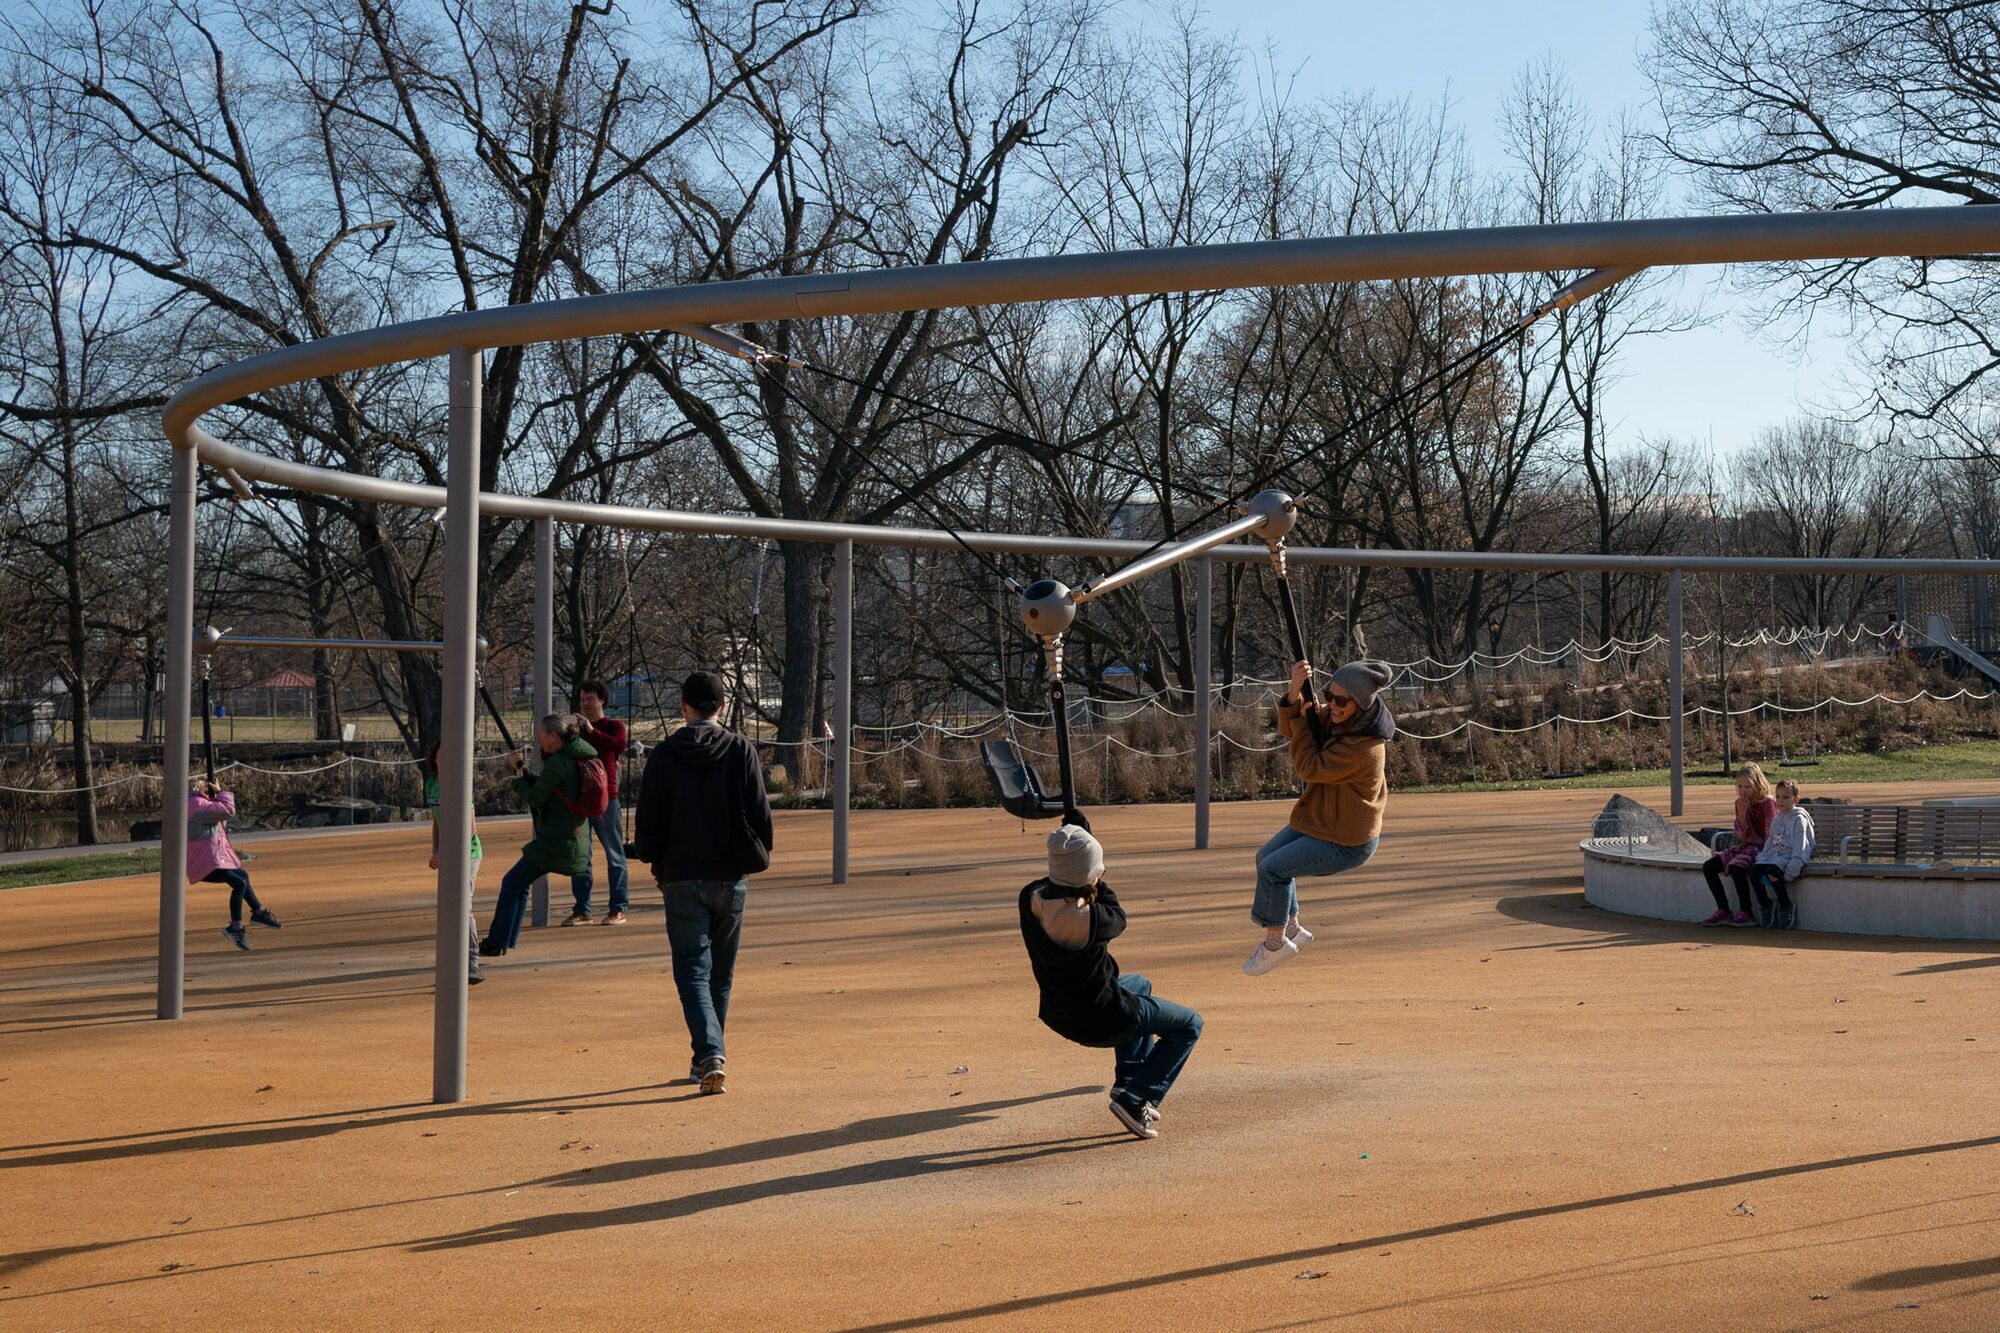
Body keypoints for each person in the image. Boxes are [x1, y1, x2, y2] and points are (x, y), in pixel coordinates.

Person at [632, 671, 772, 1096]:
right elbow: (760, 814)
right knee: (720, 976)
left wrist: (651, 855)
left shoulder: (663, 756)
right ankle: (707, 1055)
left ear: (683, 705)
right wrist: (757, 851)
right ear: (722, 707)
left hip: (681, 875)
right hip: (730, 877)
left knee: (692, 972)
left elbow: (648, 822)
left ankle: (709, 1053)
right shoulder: (740, 749)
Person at [1019, 822, 1202, 1140]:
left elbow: (1056, 878)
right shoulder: (1095, 919)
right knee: (1190, 1024)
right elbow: (1114, 910)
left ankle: (1127, 1080)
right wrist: (1089, 868)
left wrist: (1072, 840)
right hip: (1104, 1019)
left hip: (1060, 1012)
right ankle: (1138, 1100)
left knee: (1139, 983)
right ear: (1092, 874)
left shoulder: (1029, 900)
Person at [1243, 658, 1396, 976]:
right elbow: (1292, 727)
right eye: (1329, 695)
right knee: (1264, 858)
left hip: (1347, 841)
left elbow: (1309, 766)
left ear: (1361, 704)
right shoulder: (1340, 720)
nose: (1333, 705)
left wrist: (1303, 722)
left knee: (1275, 870)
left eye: (1341, 701)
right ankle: (1293, 928)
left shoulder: (1364, 748)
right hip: (1321, 822)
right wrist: (1295, 691)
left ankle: (1276, 944)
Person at [479, 714, 596, 957]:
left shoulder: (559, 762)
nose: (539, 741)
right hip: (573, 837)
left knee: (512, 882)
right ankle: (501, 941)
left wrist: (517, 781)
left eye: (542, 736)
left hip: (557, 841)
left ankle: (497, 941)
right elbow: (549, 787)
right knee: (518, 883)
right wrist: (524, 772)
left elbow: (536, 798)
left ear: (554, 735)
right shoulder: (577, 756)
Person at [565, 679, 631, 926]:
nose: (585, 703)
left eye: (590, 699)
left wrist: (592, 732)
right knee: (581, 855)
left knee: (614, 853)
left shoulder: (613, 726)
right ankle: (582, 909)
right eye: (582, 699)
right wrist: (561, 730)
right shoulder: (574, 730)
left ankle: (618, 908)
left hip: (606, 798)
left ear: (602, 700)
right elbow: (554, 753)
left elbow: (619, 746)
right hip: (578, 799)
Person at [188, 780, 280, 950]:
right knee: (239, 883)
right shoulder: (197, 804)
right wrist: (222, 793)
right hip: (204, 863)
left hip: (211, 860)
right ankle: (235, 927)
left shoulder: (200, 804)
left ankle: (258, 912)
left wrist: (216, 799)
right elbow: (228, 810)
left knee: (242, 876)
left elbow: (220, 822)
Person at [426, 742, 486, 985]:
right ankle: (454, 960)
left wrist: (449, 853)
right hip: (448, 854)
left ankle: (471, 961)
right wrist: (436, 851)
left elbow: (471, 828)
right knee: (450, 906)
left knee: (463, 906)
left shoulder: (460, 785)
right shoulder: (431, 784)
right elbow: (437, 821)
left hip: (467, 854)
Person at [1701, 762, 1777, 928]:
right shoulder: (1739, 803)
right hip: (1745, 846)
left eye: (1748, 787)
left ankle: (1746, 912)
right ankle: (1723, 909)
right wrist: (1742, 814)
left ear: (1758, 784)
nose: (1743, 791)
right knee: (1709, 866)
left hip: (1762, 848)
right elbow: (1740, 835)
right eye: (1740, 786)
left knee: (1737, 866)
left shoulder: (1768, 804)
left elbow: (1769, 835)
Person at [1752, 778, 1816, 931]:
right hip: (1774, 856)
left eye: (1786, 797)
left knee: (1772, 873)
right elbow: (1770, 843)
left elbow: (1801, 846)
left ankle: (1785, 905)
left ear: (1796, 799)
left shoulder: (1799, 819)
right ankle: (1765, 904)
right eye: (1778, 797)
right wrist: (1761, 858)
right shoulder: (1776, 819)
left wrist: (1793, 868)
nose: (1780, 800)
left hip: (1789, 857)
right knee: (1754, 873)